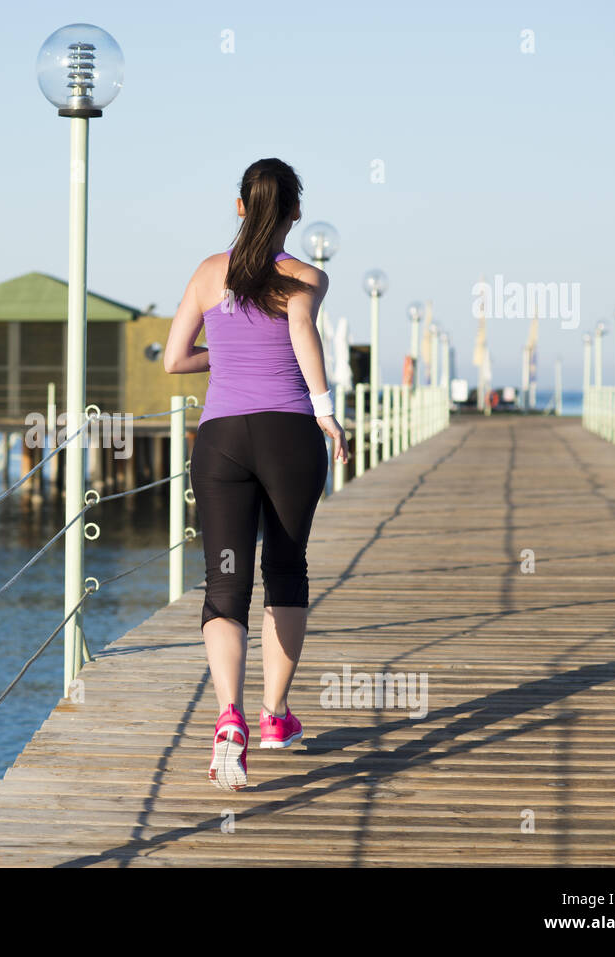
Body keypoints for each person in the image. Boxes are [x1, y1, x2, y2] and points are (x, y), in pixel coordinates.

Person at [163, 157, 350, 791]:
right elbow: (301, 333)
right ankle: (274, 718)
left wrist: (231, 351)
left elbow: (174, 359)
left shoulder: (206, 273)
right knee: (287, 567)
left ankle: (229, 721)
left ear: (239, 207)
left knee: (224, 583)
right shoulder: (306, 276)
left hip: (220, 440)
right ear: (295, 211)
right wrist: (325, 412)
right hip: (288, 434)